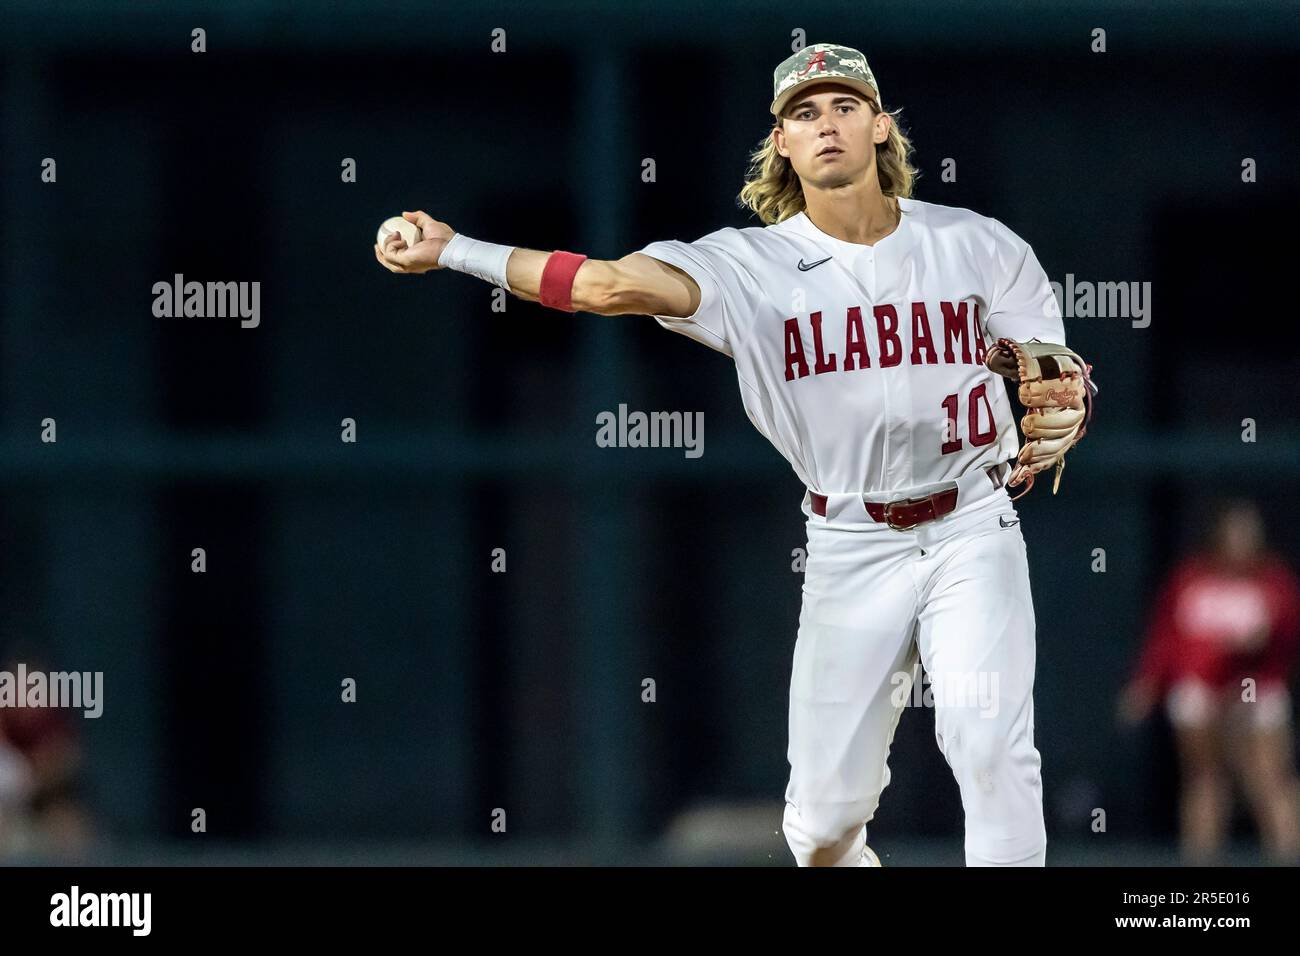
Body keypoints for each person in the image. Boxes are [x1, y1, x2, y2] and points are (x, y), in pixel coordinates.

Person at [375, 42, 1094, 866]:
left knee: (990, 746)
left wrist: (1055, 387)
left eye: (844, 106)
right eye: (803, 113)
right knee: (821, 830)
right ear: (782, 144)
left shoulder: (982, 246)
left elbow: (1049, 372)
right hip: (849, 542)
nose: (825, 124)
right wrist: (454, 250)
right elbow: (606, 286)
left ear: (882, 128)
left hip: (971, 525)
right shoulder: (745, 266)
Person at [1118, 500, 1300, 863]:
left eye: (1248, 532)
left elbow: (1288, 635)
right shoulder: (1190, 578)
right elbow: (1165, 638)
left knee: (1268, 782)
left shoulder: (1274, 582)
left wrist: (1263, 642)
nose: (1241, 541)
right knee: (1205, 782)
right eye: (1234, 532)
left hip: (1255, 692)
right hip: (1199, 692)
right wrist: (1146, 684)